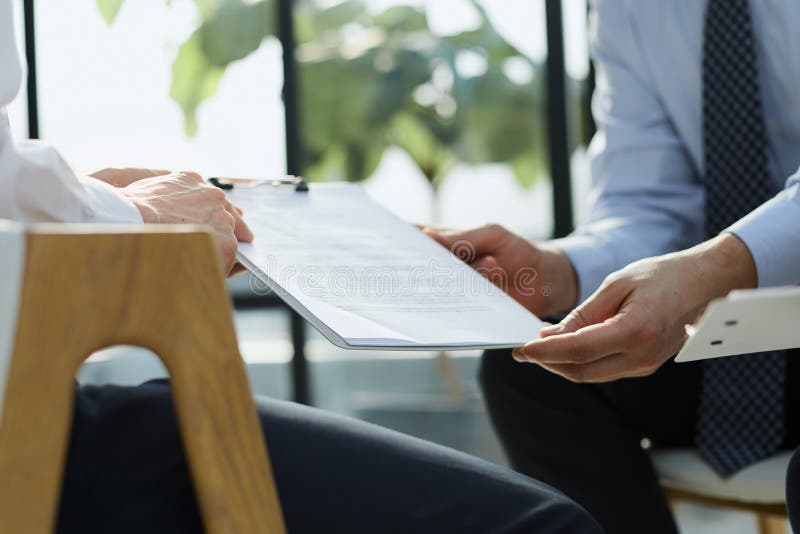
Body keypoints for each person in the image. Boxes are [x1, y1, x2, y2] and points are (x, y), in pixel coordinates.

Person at [0, 3, 603, 534]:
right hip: (27, 439)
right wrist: (129, 215)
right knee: (545, 525)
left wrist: (83, 203)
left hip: (34, 412)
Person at [425, 1, 800, 532]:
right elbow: (651, 199)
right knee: (532, 370)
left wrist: (718, 267)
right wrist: (560, 271)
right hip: (739, 341)